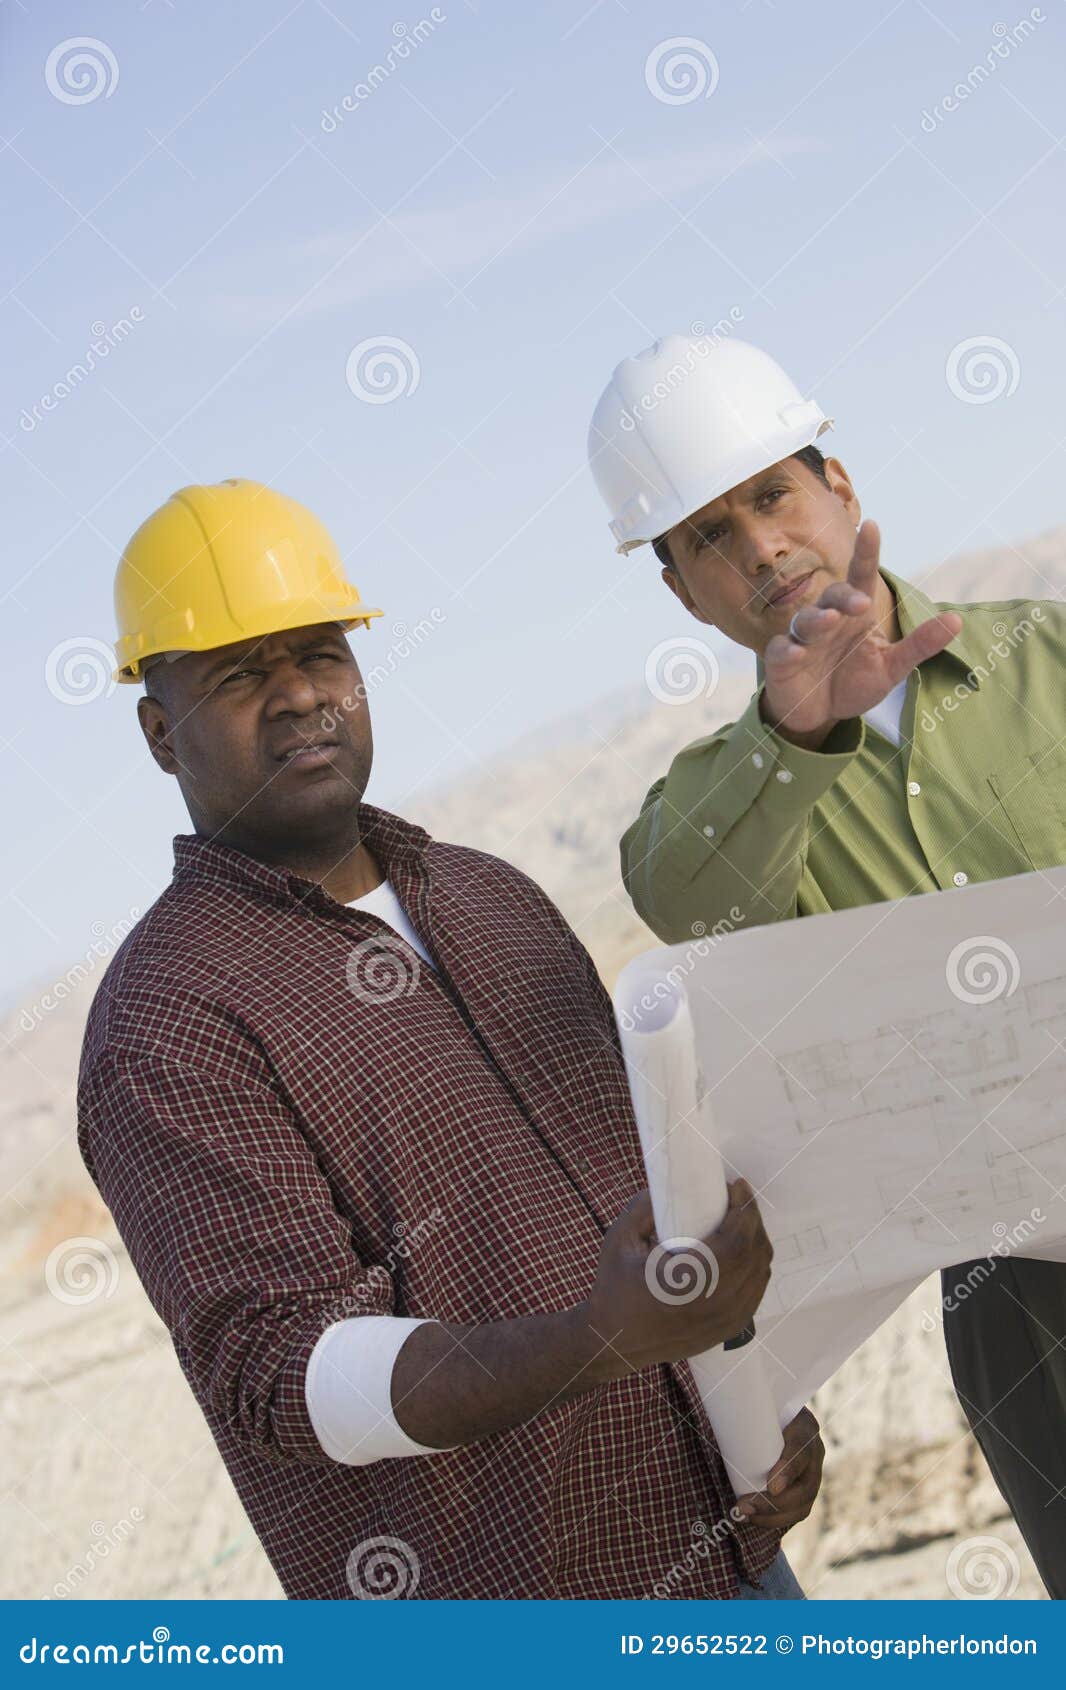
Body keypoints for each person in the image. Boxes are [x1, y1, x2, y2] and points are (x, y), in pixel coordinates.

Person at [76, 476, 822, 1601]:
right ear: (155, 731)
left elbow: (654, 1203)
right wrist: (599, 1338)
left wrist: (751, 1400)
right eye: (238, 674)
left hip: (734, 1565)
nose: (296, 698)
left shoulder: (491, 898)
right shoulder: (168, 1019)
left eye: (320, 654)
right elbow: (283, 1371)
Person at [589, 333, 1066, 1597]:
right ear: (681, 591)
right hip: (1029, 1328)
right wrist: (798, 734)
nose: (756, 546)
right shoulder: (716, 818)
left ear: (837, 482)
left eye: (769, 494)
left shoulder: (1052, 664)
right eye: (703, 536)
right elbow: (683, 900)